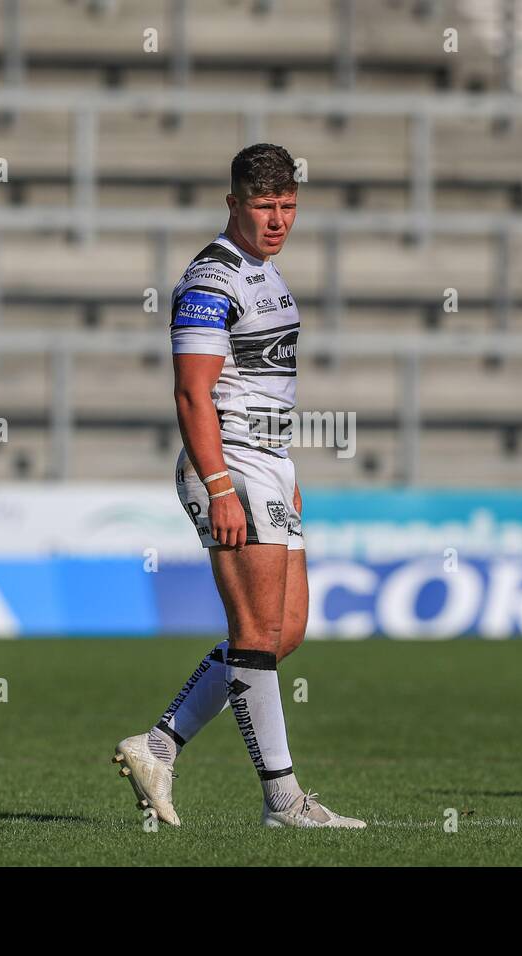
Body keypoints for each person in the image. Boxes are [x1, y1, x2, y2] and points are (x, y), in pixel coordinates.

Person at [112, 143, 365, 830]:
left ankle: (157, 744)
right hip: (228, 462)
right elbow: (193, 395)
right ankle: (283, 801)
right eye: (263, 206)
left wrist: (286, 472)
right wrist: (221, 487)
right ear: (233, 204)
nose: (278, 218)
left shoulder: (268, 273)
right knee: (253, 631)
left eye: (287, 205)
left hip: (270, 463)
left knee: (282, 633)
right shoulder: (210, 279)